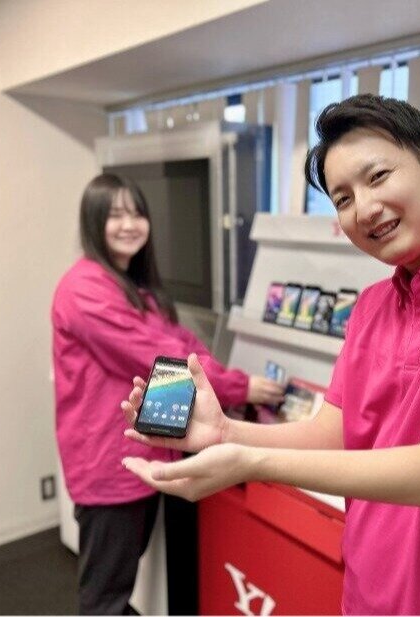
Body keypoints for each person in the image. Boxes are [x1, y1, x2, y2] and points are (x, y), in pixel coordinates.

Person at [120, 95, 420, 615]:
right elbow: (332, 434)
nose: (364, 209)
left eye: (377, 177)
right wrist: (227, 433)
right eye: (342, 198)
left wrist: (250, 461)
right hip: (367, 591)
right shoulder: (374, 304)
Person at [51, 173, 284, 615]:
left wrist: (224, 378)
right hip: (109, 462)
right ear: (93, 222)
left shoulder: (134, 287)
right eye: (115, 215)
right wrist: (240, 385)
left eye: (136, 213)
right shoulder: (84, 289)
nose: (129, 224)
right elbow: (157, 355)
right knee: (105, 597)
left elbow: (182, 343)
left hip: (141, 452)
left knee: (121, 579)